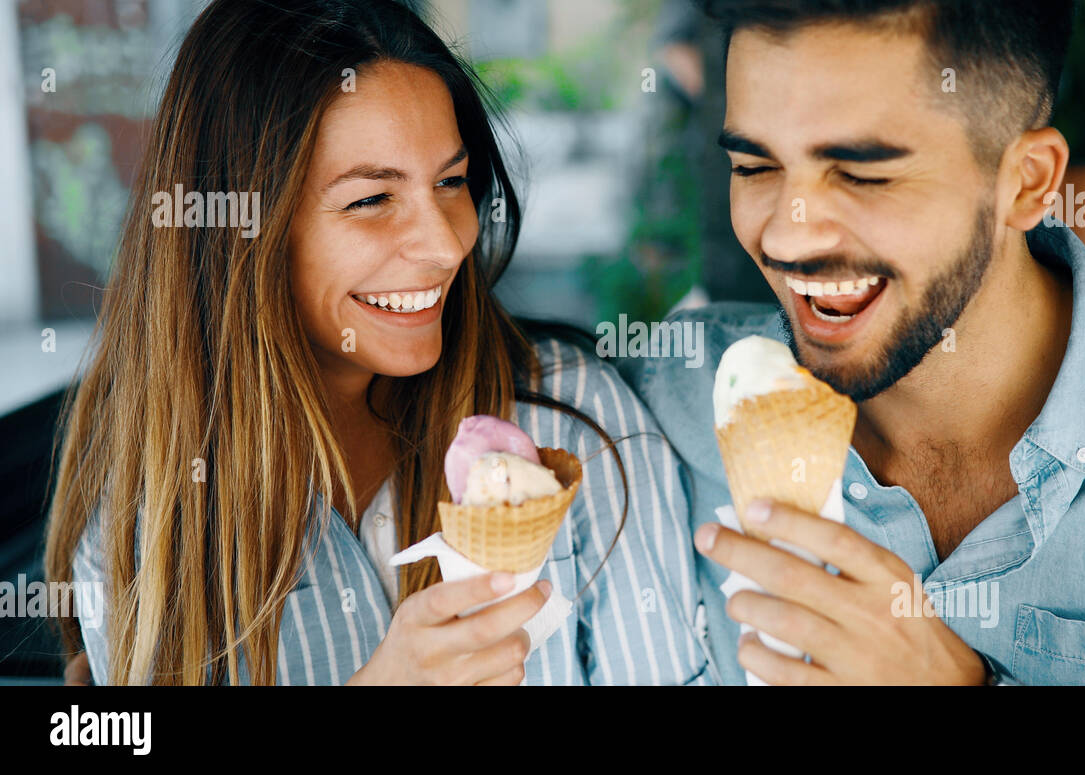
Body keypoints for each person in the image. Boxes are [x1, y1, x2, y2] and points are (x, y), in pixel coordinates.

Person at [619, 0, 1085, 685]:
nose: (788, 236)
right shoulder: (644, 405)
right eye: (754, 167)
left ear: (1027, 182)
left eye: (862, 174)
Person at [43, 0, 715, 686]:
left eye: (451, 182)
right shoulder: (152, 513)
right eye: (371, 200)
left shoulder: (580, 423)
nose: (446, 243)